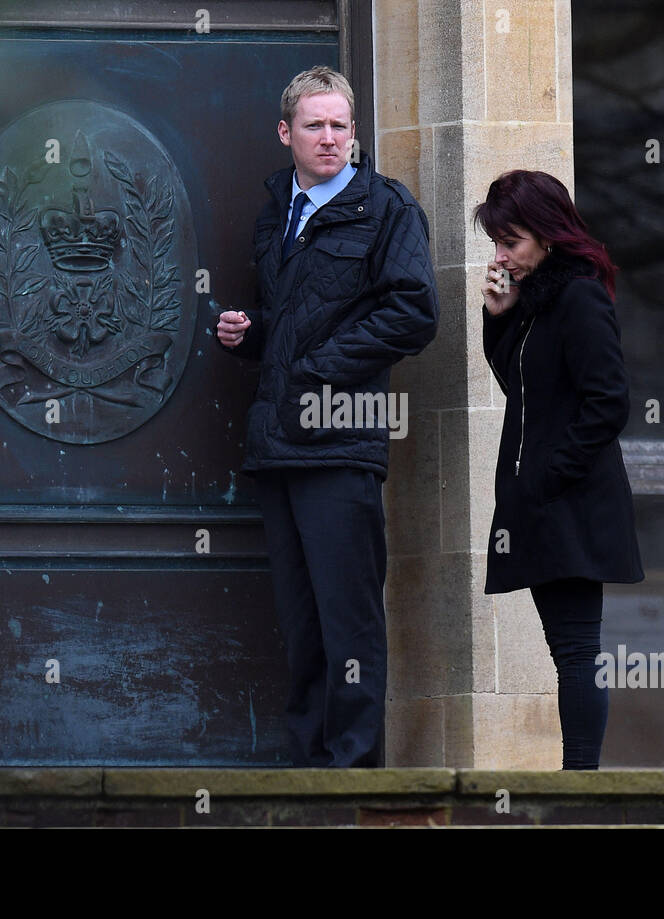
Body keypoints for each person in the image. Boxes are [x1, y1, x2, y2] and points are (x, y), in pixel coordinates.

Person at [216, 66, 438, 767]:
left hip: (340, 443)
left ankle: (353, 776)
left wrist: (318, 366)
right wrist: (254, 334)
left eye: (341, 125)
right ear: (287, 133)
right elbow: (294, 321)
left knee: (350, 626)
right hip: (278, 445)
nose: (330, 138)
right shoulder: (278, 210)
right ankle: (308, 777)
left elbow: (414, 311)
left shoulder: (387, 208)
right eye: (315, 125)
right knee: (303, 628)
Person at [475, 169, 644, 770]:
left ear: (548, 236)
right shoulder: (538, 300)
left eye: (512, 242)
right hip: (546, 503)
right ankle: (579, 784)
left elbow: (609, 402)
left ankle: (581, 787)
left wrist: (549, 476)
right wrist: (500, 316)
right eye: (496, 242)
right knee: (569, 650)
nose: (502, 256)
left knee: (577, 651)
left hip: (570, 502)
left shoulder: (577, 295)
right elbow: (525, 393)